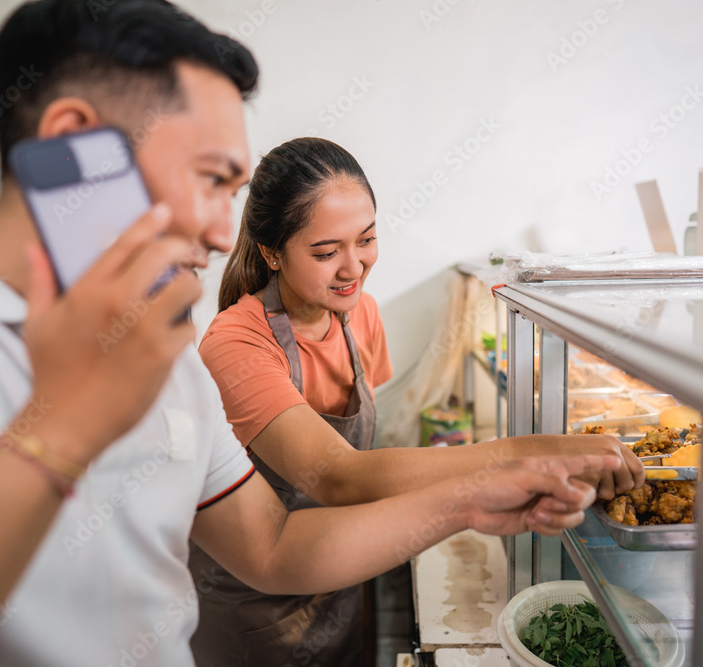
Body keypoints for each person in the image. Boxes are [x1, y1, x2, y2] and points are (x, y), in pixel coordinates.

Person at [0, 2, 624, 666]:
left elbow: (271, 546)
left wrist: (468, 500)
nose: (214, 231)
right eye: (209, 179)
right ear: (75, 146)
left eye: (231, 194)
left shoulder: (168, 360)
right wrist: (64, 428)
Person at [192, 137, 646, 665]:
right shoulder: (236, 345)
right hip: (257, 609)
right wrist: (530, 453)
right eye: (325, 252)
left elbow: (363, 464)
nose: (353, 267)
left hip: (341, 569)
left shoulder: (359, 316)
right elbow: (339, 475)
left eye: (366, 240)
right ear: (271, 251)